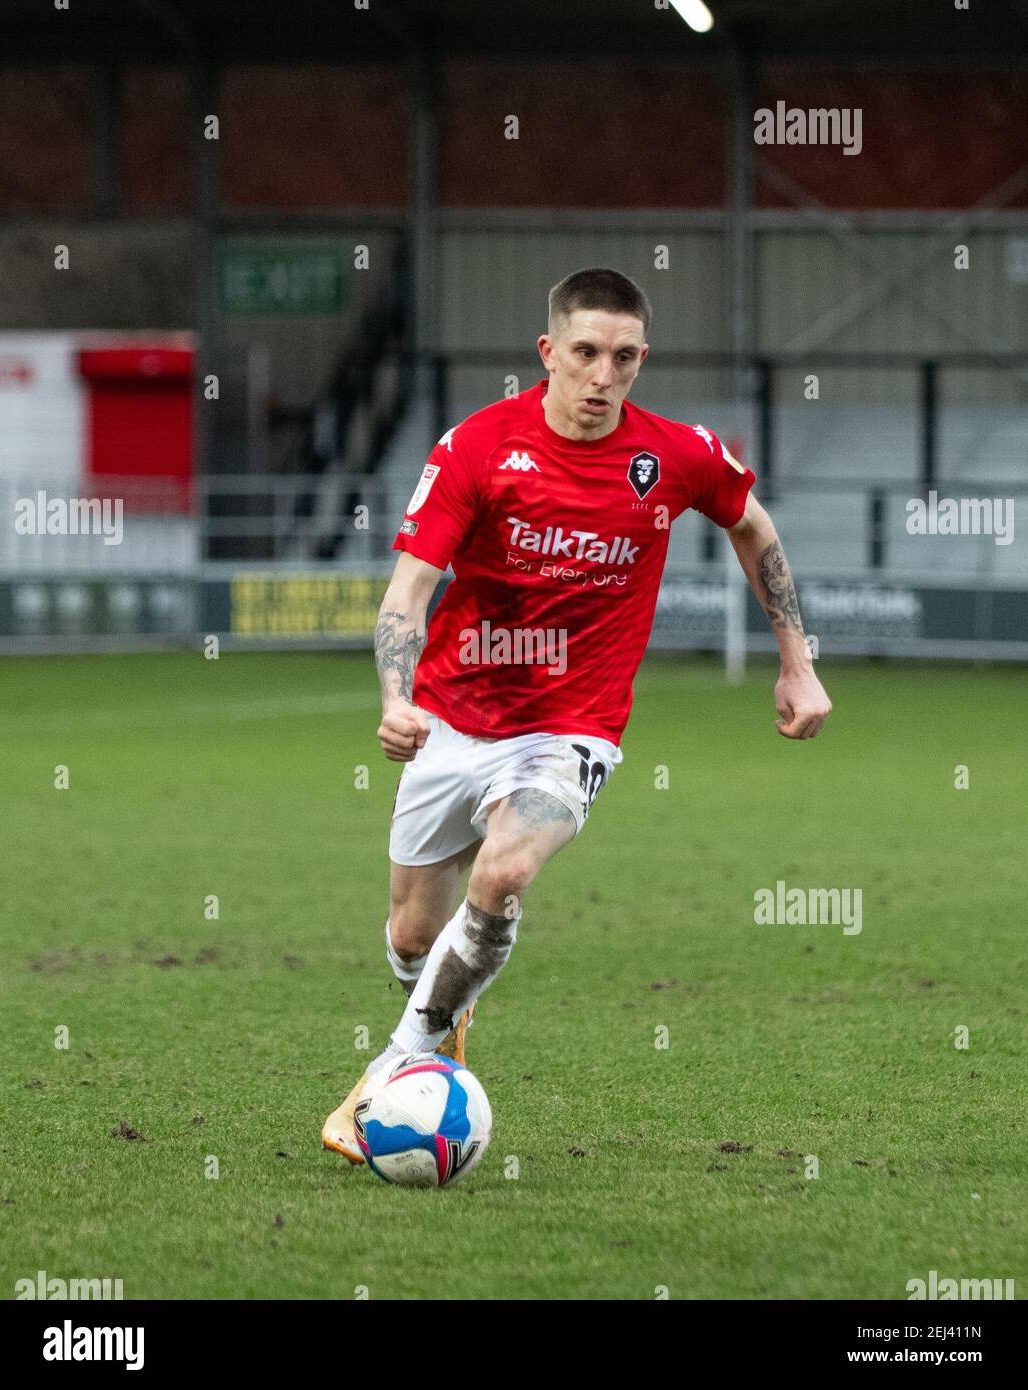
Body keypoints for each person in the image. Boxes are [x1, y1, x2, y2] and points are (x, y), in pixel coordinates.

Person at [322, 266, 831, 1162]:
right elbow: (409, 591)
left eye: (625, 358)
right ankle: (443, 991)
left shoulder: (676, 456)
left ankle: (391, 1071)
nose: (604, 377)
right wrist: (396, 697)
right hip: (450, 717)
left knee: (506, 874)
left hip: (571, 727)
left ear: (643, 358)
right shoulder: (477, 449)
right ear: (548, 353)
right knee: (411, 934)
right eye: (587, 354)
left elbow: (752, 525)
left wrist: (798, 662)